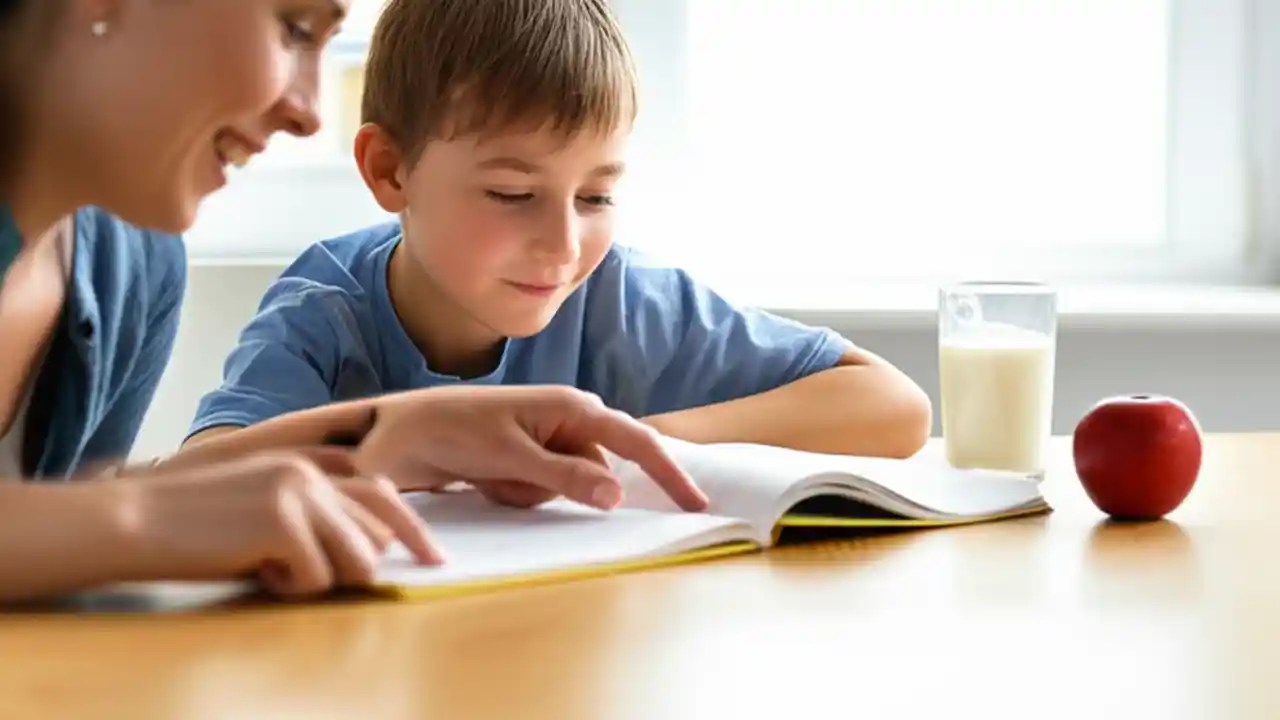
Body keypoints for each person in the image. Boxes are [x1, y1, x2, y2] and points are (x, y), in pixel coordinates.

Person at [0, 0, 703, 604]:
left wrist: (386, 431)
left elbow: (52, 537)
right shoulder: (310, 296)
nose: (308, 113)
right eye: (294, 27)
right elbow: (102, 524)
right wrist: (136, 522)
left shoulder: (133, 264)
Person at [184, 0, 934, 509]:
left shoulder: (619, 298)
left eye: (596, 197)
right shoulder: (325, 309)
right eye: (512, 195)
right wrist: (394, 437)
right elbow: (190, 483)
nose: (565, 246)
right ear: (390, 170)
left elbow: (894, 410)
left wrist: (643, 443)